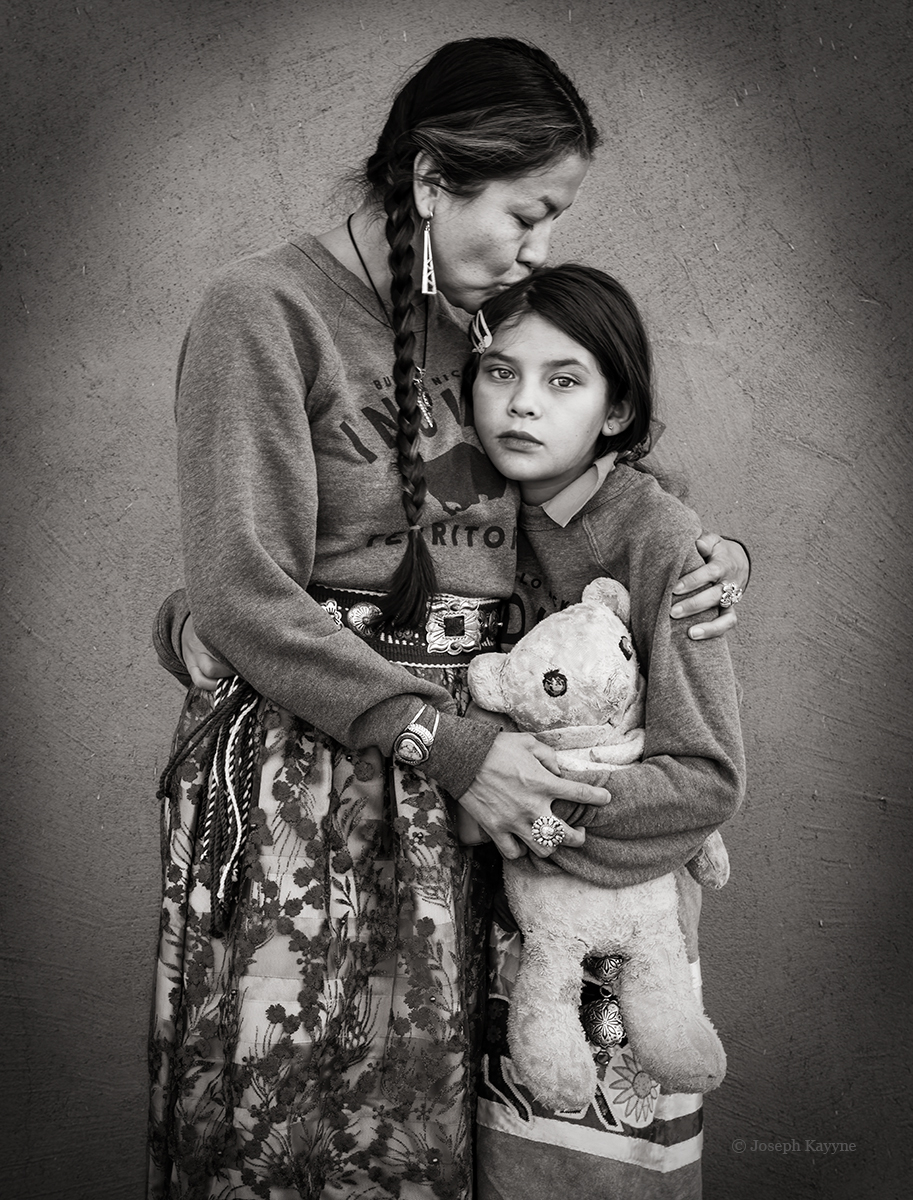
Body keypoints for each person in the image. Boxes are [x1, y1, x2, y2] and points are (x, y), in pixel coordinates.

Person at [148, 37, 750, 1200]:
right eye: (529, 212)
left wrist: (706, 552)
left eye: (554, 221)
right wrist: (454, 746)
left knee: (465, 1157)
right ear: (431, 179)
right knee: (294, 1149)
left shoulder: (481, 336)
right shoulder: (263, 312)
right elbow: (242, 591)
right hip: (314, 792)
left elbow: (590, 493)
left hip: (488, 805)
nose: (540, 248)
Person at [457, 263, 746, 1199]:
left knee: (586, 1180)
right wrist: (189, 620)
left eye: (563, 380)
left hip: (622, 948)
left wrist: (532, 809)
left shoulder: (661, 542)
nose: (521, 405)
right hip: (482, 937)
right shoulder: (460, 502)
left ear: (615, 413)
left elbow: (704, 779)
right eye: (499, 372)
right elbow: (318, 576)